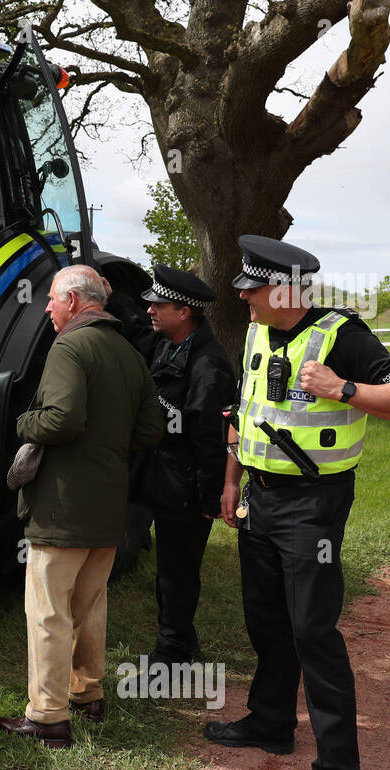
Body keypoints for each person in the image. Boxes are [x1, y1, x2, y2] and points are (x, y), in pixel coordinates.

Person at [207, 235, 390, 770]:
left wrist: (344, 389)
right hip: (259, 494)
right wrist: (231, 483)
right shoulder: (257, 332)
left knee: (313, 632)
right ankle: (271, 720)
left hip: (313, 506)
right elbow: (246, 413)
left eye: (252, 289)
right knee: (264, 617)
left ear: (283, 290)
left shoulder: (341, 335)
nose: (243, 299)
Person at [0, 265, 165, 748]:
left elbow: (62, 418)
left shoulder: (69, 346)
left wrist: (24, 422)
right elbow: (151, 430)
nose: (46, 307)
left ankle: (47, 716)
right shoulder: (129, 352)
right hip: (111, 505)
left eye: (51, 299)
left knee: (48, 612)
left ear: (73, 301)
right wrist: (108, 447)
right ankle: (88, 694)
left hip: (62, 508)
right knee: (89, 605)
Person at [134, 265, 236, 666]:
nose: (150, 311)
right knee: (168, 569)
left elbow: (212, 442)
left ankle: (173, 653)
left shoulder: (208, 367)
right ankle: (181, 641)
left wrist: (210, 498)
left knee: (178, 572)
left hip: (189, 489)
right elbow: (132, 330)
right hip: (166, 478)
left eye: (159, 304)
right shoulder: (167, 344)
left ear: (184, 311)